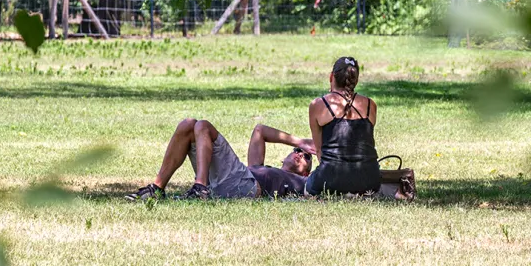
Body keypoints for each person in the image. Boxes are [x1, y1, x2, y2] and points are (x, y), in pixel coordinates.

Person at [125, 120, 314, 200]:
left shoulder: (304, 182)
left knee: (203, 126)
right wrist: (300, 141)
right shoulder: (258, 166)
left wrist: (320, 150)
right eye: (297, 151)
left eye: (306, 157)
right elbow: (260, 130)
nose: (300, 154)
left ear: (307, 172)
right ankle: (157, 189)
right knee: (188, 125)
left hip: (246, 185)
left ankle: (200, 187)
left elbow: (328, 180)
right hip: (237, 177)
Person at [305, 56, 380, 196]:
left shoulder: (318, 105)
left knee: (307, 185)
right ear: (356, 80)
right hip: (370, 180)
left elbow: (319, 149)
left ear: (331, 76)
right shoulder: (371, 105)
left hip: (330, 179)